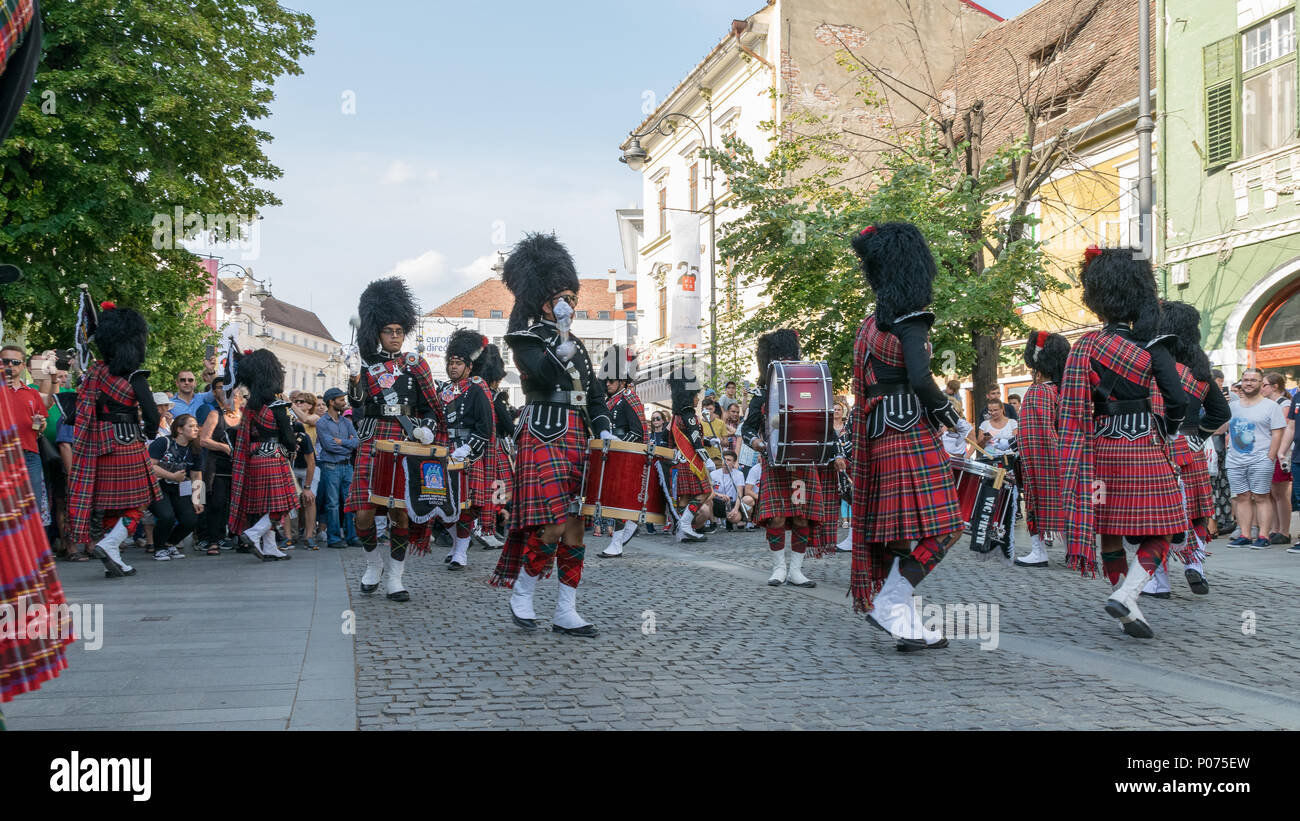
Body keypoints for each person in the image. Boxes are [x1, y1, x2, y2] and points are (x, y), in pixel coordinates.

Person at [1058, 246, 1186, 639]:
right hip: (1144, 444)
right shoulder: (1153, 344)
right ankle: (1128, 593)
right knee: (1163, 528)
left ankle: (1124, 600)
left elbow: (1073, 404)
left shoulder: (1083, 347)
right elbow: (1177, 399)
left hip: (1100, 448)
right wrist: (1168, 427)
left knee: (1109, 529)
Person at [489, 234, 613, 637]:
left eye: (572, 299)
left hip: (578, 435)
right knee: (552, 524)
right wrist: (560, 336)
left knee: (575, 526)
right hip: (543, 430)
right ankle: (523, 592)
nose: (569, 306)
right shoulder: (526, 339)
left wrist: (605, 426)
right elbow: (541, 374)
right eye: (561, 299)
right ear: (543, 302)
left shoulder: (578, 344)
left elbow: (594, 397)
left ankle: (566, 609)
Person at [848, 223, 964, 650]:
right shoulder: (912, 321)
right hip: (910, 431)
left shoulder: (867, 327)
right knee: (947, 526)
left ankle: (905, 621)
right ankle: (891, 600)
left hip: (879, 436)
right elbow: (921, 377)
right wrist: (951, 415)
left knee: (899, 536)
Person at [346, 277, 446, 602]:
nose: (393, 336)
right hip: (374, 437)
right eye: (388, 331)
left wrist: (427, 428)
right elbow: (358, 403)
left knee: (399, 511)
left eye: (398, 332)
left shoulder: (415, 364)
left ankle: (396, 577)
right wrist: (352, 377)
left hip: (406, 438)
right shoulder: (366, 364)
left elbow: (433, 405)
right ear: (377, 332)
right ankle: (373, 564)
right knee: (364, 511)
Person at [1141, 301, 1231, 596]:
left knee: (1157, 519)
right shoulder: (1199, 373)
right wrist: (1197, 439)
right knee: (1195, 514)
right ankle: (1195, 565)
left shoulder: (1152, 368)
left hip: (1155, 449)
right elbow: (1221, 414)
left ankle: (1159, 582)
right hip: (1190, 451)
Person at [739, 329, 841, 588]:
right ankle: (778, 568)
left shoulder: (805, 389)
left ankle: (796, 570)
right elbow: (747, 429)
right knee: (776, 517)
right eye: (780, 358)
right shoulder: (762, 395)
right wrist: (759, 444)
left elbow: (824, 421)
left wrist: (836, 451)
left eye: (789, 357)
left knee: (801, 516)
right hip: (774, 461)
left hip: (802, 463)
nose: (785, 362)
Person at [67, 304, 162, 579]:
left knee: (111, 506)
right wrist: (152, 434)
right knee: (141, 501)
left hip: (100, 445)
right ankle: (110, 544)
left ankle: (115, 556)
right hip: (128, 443)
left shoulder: (96, 374)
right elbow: (153, 415)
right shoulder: (135, 376)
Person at [226, 349, 297, 561]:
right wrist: (295, 445)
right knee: (282, 505)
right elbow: (289, 439)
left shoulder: (250, 409)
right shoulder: (278, 407)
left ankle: (270, 547)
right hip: (274, 457)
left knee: (266, 506)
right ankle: (253, 533)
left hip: (254, 458)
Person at [438, 329, 497, 571]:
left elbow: (485, 427)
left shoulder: (477, 387)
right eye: (450, 362)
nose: (453, 367)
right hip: (444, 451)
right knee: (440, 505)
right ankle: (456, 545)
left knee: (464, 506)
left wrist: (467, 449)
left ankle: (460, 552)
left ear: (469, 366)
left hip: (469, 452)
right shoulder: (443, 391)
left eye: (458, 363)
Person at [1014, 331, 1070, 568]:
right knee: (1069, 505)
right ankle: (1073, 552)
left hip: (1043, 460)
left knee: (1036, 502)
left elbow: (1031, 437)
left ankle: (1039, 551)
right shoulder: (1065, 391)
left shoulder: (1037, 392)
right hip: (1068, 458)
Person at [1224, 369, 1285, 548]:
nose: (1248, 383)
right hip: (1235, 460)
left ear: (1260, 383)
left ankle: (1264, 536)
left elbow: (1277, 432)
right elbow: (1222, 429)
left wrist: (1270, 457)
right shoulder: (1232, 407)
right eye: (1245, 380)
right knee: (1242, 497)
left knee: (1261, 497)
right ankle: (1245, 534)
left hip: (1261, 459)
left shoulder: (1270, 406)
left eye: (1253, 380)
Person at [596, 344, 646, 558]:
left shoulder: (628, 398)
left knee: (617, 501)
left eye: (612, 380)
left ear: (623, 382)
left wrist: (619, 443)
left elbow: (638, 432)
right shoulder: (611, 400)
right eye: (606, 380)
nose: (607, 384)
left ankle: (617, 541)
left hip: (625, 455)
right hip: (612, 453)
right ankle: (626, 530)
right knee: (612, 500)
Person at [3, 344, 50, 534]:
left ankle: (29, 557)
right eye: (4, 361)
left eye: (14, 362)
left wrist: (39, 423)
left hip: (29, 455)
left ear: (23, 366)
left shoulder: (31, 393)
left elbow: (40, 428)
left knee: (32, 507)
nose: (9, 366)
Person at [146, 414, 206, 560]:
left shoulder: (196, 449)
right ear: (179, 429)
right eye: (191, 426)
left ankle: (170, 544)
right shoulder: (163, 442)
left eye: (196, 426)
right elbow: (149, 466)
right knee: (167, 516)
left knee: (190, 519)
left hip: (180, 487)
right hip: (157, 486)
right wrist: (172, 476)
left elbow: (197, 475)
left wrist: (198, 499)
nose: (195, 429)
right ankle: (158, 548)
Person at [666, 370, 715, 542]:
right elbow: (695, 441)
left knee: (685, 497)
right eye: (695, 395)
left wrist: (709, 441)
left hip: (679, 462)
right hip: (690, 462)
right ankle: (685, 524)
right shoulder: (690, 415)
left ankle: (680, 531)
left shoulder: (676, 416)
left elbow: (689, 438)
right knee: (705, 491)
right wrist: (707, 459)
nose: (697, 399)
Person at [197, 377, 241, 551]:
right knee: (215, 502)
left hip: (236, 467)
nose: (233, 399)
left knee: (232, 503)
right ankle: (211, 539)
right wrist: (224, 447)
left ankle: (227, 535)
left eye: (236, 396)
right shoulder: (214, 414)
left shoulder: (243, 416)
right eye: (230, 395)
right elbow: (203, 440)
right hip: (215, 466)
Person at [475, 350, 512, 549]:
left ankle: (490, 527)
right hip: (494, 446)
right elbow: (506, 424)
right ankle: (490, 527)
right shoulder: (494, 397)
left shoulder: (479, 391)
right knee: (497, 489)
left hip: (483, 444)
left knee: (492, 489)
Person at [316, 386, 359, 548]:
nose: (344, 402)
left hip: (347, 466)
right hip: (331, 466)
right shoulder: (322, 423)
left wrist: (343, 442)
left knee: (349, 502)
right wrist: (347, 445)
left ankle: (351, 536)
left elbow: (356, 442)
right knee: (332, 503)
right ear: (331, 402)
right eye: (341, 400)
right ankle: (334, 538)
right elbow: (329, 446)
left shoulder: (345, 422)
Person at [1261, 372, 1292, 543]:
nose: (1261, 388)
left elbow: (1284, 429)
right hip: (1269, 452)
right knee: (1271, 493)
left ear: (1275, 387)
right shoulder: (1269, 404)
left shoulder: (1284, 403)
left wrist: (1278, 453)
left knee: (1280, 493)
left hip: (1280, 453)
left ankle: (1284, 531)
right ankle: (1275, 529)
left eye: (1264, 385)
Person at [288, 410, 318, 549]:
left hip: (307, 468)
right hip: (291, 468)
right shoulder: (281, 438)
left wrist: (306, 488)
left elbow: (311, 463)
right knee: (288, 502)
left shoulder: (304, 438)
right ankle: (288, 537)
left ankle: (309, 536)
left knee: (309, 499)